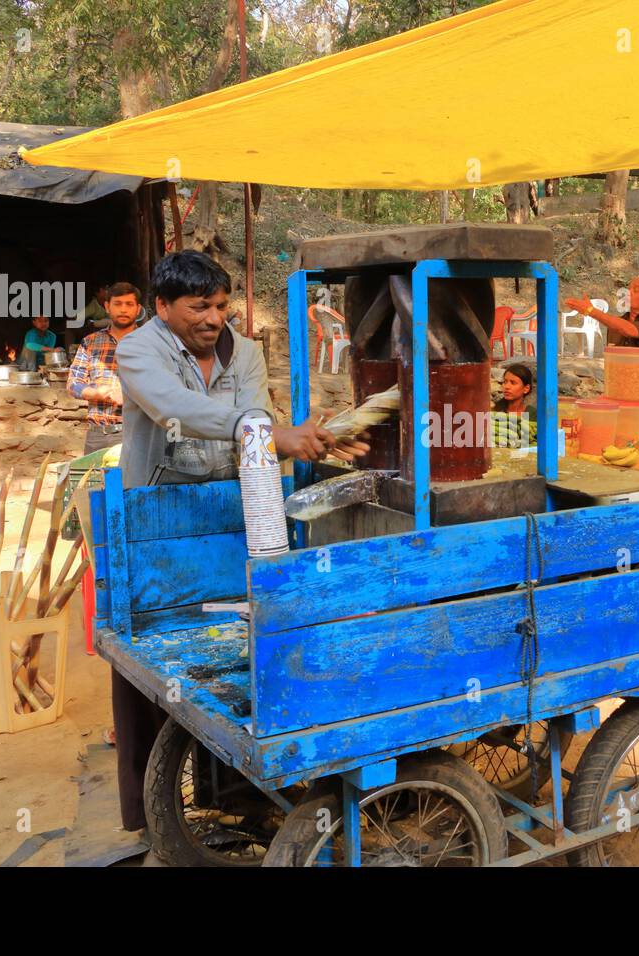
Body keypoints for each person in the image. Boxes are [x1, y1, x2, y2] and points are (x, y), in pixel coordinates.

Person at [109, 250, 368, 833]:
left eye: (222, 306)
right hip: (158, 516)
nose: (213, 318)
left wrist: (300, 441)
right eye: (199, 306)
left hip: (230, 512)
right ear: (163, 307)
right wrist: (268, 431)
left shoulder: (245, 352)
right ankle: (151, 814)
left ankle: (238, 795)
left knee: (229, 649)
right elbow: (176, 408)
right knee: (148, 655)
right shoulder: (137, 349)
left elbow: (253, 424)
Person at [67, 281, 142, 455]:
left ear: (138, 309)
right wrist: (94, 393)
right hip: (97, 435)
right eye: (118, 304)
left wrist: (130, 396)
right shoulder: (91, 342)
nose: (123, 310)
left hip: (137, 433)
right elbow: (73, 382)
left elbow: (163, 387)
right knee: (94, 482)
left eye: (129, 304)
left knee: (133, 483)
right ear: (107, 307)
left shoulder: (150, 342)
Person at [565, 274, 639, 372]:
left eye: (636, 290)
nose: (628, 292)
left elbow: (630, 330)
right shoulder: (616, 325)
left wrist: (591, 311)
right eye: (629, 288)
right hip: (620, 385)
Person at [491, 362, 537, 448]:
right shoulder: (494, 412)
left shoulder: (533, 415)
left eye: (513, 383)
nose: (506, 386)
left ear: (526, 389)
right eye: (505, 382)